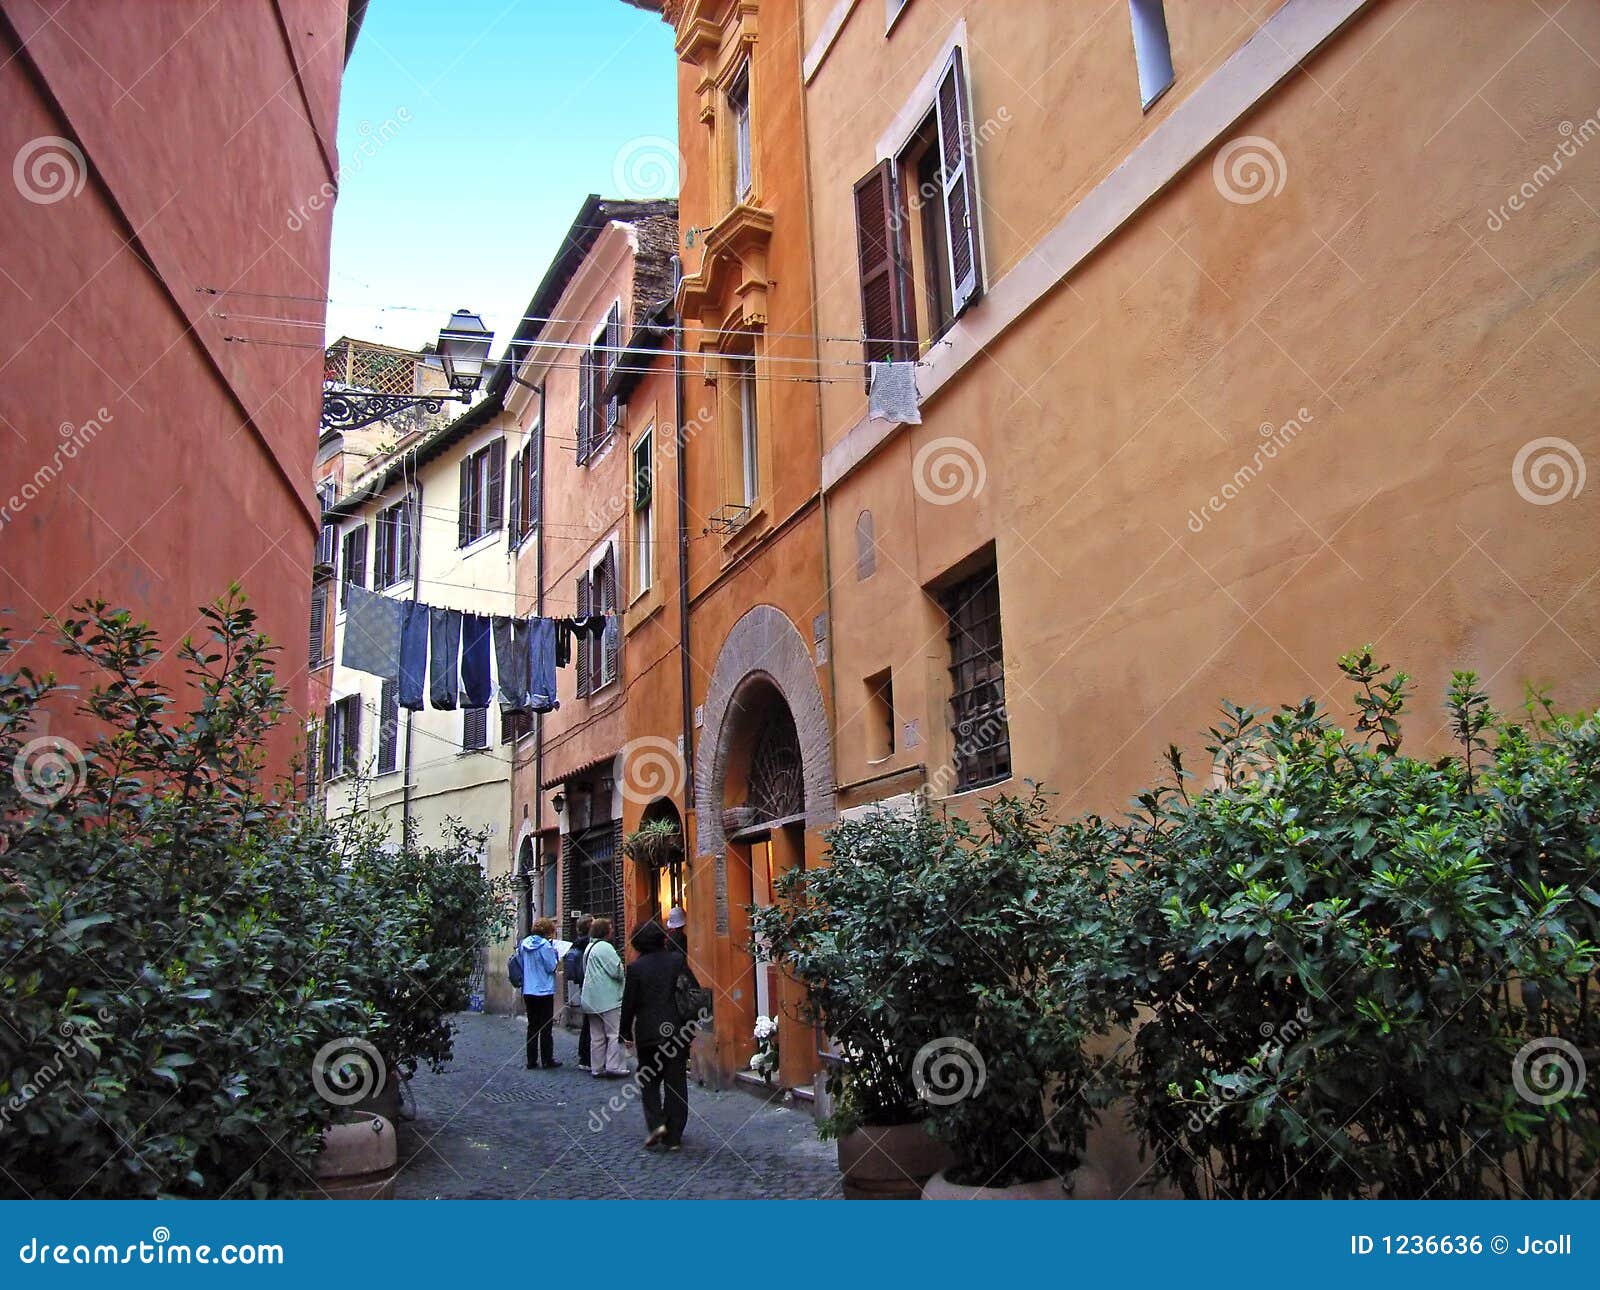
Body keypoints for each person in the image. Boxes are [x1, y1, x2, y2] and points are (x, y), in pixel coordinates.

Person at [620, 920, 697, 1151]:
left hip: (648, 1033)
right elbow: (692, 989)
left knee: (649, 1082)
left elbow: (629, 1003)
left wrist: (624, 1031)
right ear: (662, 938)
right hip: (676, 1031)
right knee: (676, 1083)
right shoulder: (676, 961)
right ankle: (674, 1136)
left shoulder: (635, 968)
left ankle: (656, 1124)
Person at [579, 918, 628, 1078]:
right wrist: (621, 969)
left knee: (597, 1036)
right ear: (605, 931)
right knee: (613, 1034)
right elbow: (616, 971)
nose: (613, 931)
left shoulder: (589, 948)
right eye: (610, 928)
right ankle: (614, 1066)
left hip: (590, 999)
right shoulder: (605, 948)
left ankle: (597, 1067)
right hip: (608, 998)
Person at [517, 918, 561, 1070]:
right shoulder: (545, 947)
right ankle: (547, 1059)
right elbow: (551, 967)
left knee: (532, 1026)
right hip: (544, 990)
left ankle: (531, 1060)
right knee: (546, 1027)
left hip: (529, 989)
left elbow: (521, 963)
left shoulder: (524, 944)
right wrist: (556, 956)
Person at [567, 916, 593, 1070]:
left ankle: (583, 1056)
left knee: (587, 1023)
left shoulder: (577, 943)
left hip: (583, 985)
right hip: (591, 986)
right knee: (592, 1024)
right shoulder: (588, 945)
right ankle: (589, 1058)